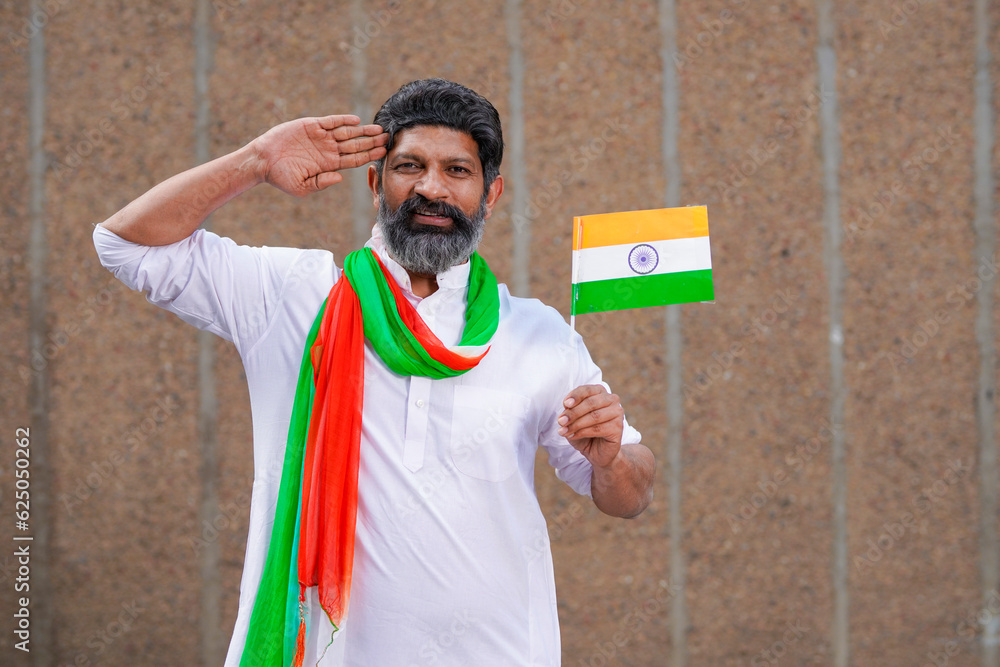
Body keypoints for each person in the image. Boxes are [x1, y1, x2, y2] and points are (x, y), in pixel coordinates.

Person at [94, 78, 655, 666]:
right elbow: (124, 245)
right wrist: (254, 161)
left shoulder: (541, 335)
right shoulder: (295, 296)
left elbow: (630, 497)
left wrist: (610, 459)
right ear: (374, 180)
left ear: (491, 194)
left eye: (457, 171)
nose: (430, 188)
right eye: (409, 166)